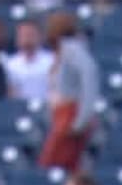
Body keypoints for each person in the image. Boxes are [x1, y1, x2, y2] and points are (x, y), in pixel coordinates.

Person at [39, 11, 100, 173]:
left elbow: (89, 74)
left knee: (51, 163)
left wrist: (81, 119)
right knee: (67, 166)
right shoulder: (60, 52)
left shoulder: (71, 49)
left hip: (70, 114)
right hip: (61, 114)